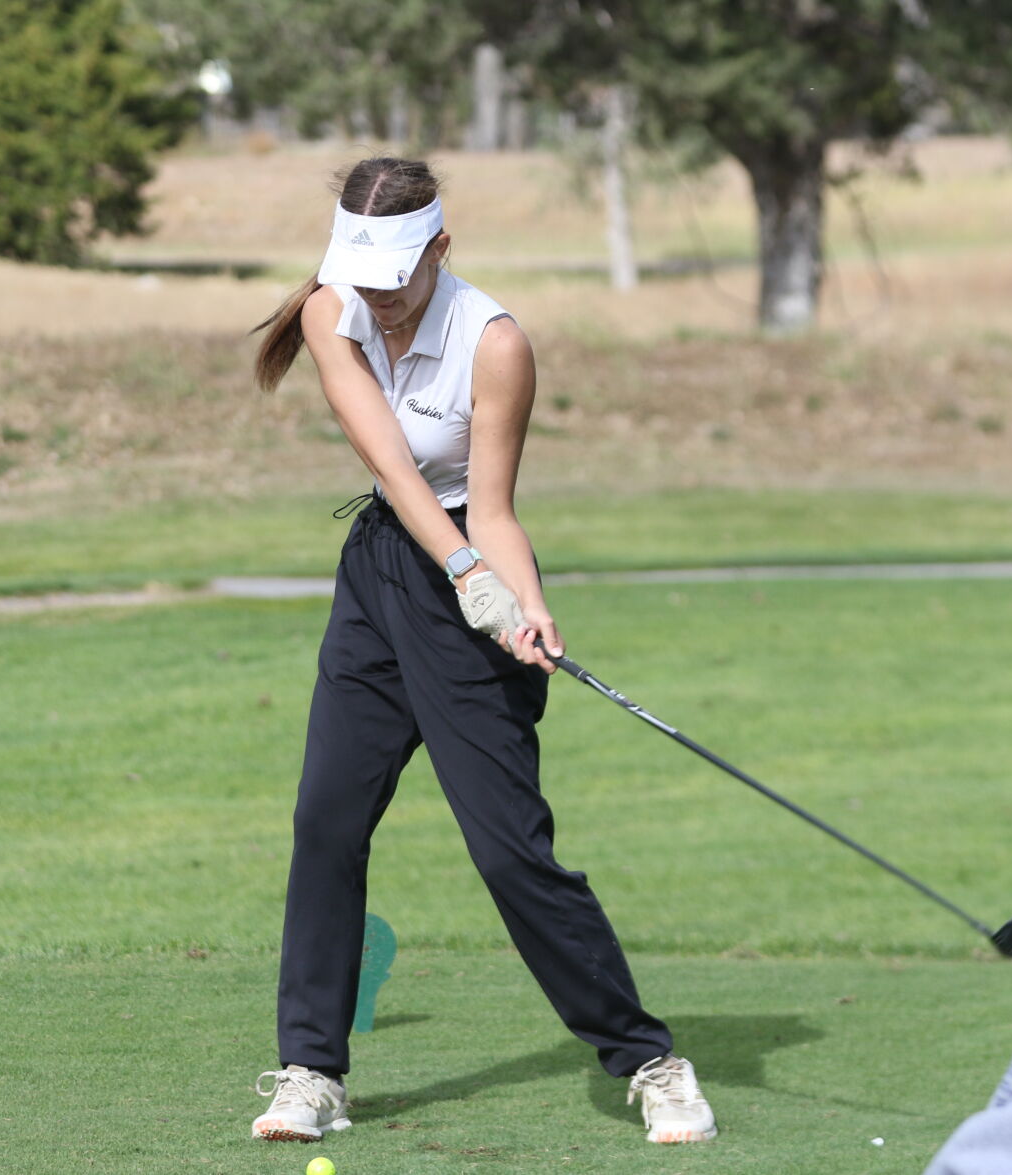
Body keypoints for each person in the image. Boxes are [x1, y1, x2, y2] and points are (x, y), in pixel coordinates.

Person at [244, 156, 716, 1147]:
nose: (375, 291)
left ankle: (647, 1060)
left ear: (440, 250)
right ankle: (311, 1068)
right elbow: (389, 466)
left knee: (509, 849)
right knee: (325, 819)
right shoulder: (332, 311)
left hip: (472, 560)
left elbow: (489, 503)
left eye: (394, 272)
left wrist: (524, 607)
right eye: (359, 270)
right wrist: (464, 571)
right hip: (387, 572)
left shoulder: (493, 342)